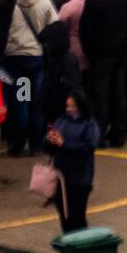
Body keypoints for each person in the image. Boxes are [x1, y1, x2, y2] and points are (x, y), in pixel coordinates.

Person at [1, 0, 54, 156]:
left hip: (16, 58)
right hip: (36, 58)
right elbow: (54, 28)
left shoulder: (10, 3)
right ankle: (37, 144)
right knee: (35, 101)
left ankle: (18, 142)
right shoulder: (44, 3)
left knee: (22, 100)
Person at [79, 0, 127, 146]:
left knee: (100, 95)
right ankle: (119, 133)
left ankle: (100, 134)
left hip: (100, 55)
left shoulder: (93, 2)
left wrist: (89, 53)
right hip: (121, 53)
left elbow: (85, 32)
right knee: (120, 93)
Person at [46, 90, 100, 233]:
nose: (69, 110)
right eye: (67, 106)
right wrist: (50, 140)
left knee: (77, 216)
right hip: (62, 177)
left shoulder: (90, 125)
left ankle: (81, 248)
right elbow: (51, 150)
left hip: (80, 178)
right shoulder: (62, 121)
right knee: (64, 215)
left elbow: (88, 148)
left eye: (72, 107)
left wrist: (64, 144)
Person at [58, 0, 93, 73]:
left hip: (73, 49)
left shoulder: (68, 7)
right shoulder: (94, 2)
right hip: (92, 48)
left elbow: (60, 28)